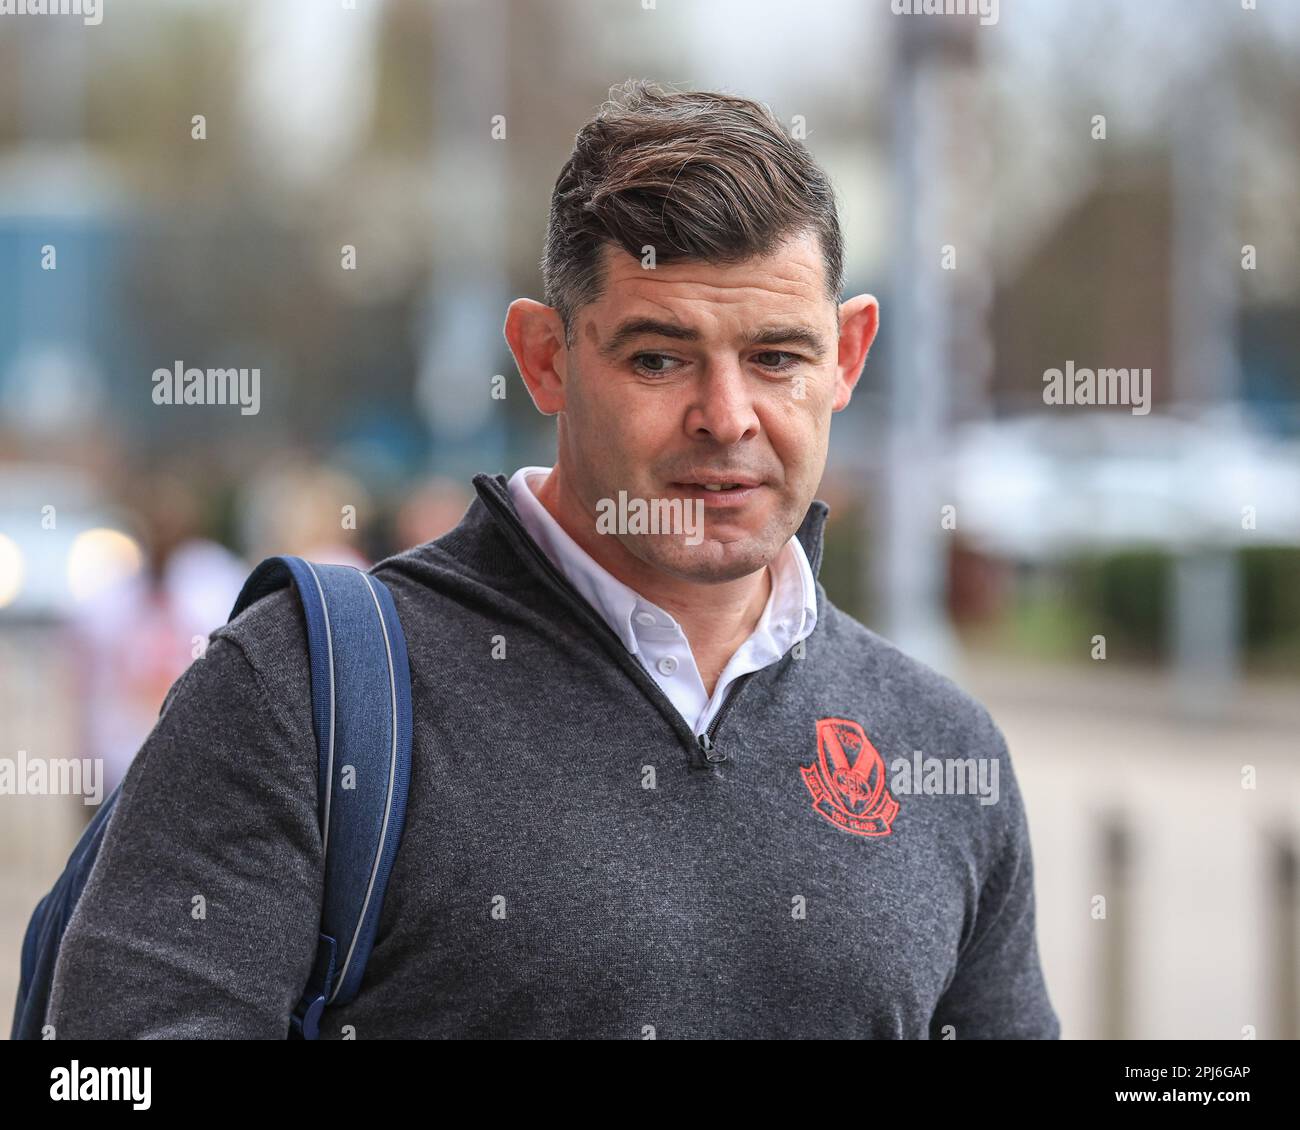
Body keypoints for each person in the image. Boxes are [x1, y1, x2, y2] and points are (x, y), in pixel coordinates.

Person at [46, 79, 1059, 1039]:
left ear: (847, 356)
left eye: (775, 357)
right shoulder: (298, 694)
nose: (726, 415)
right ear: (543, 357)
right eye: (657, 357)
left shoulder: (941, 748)